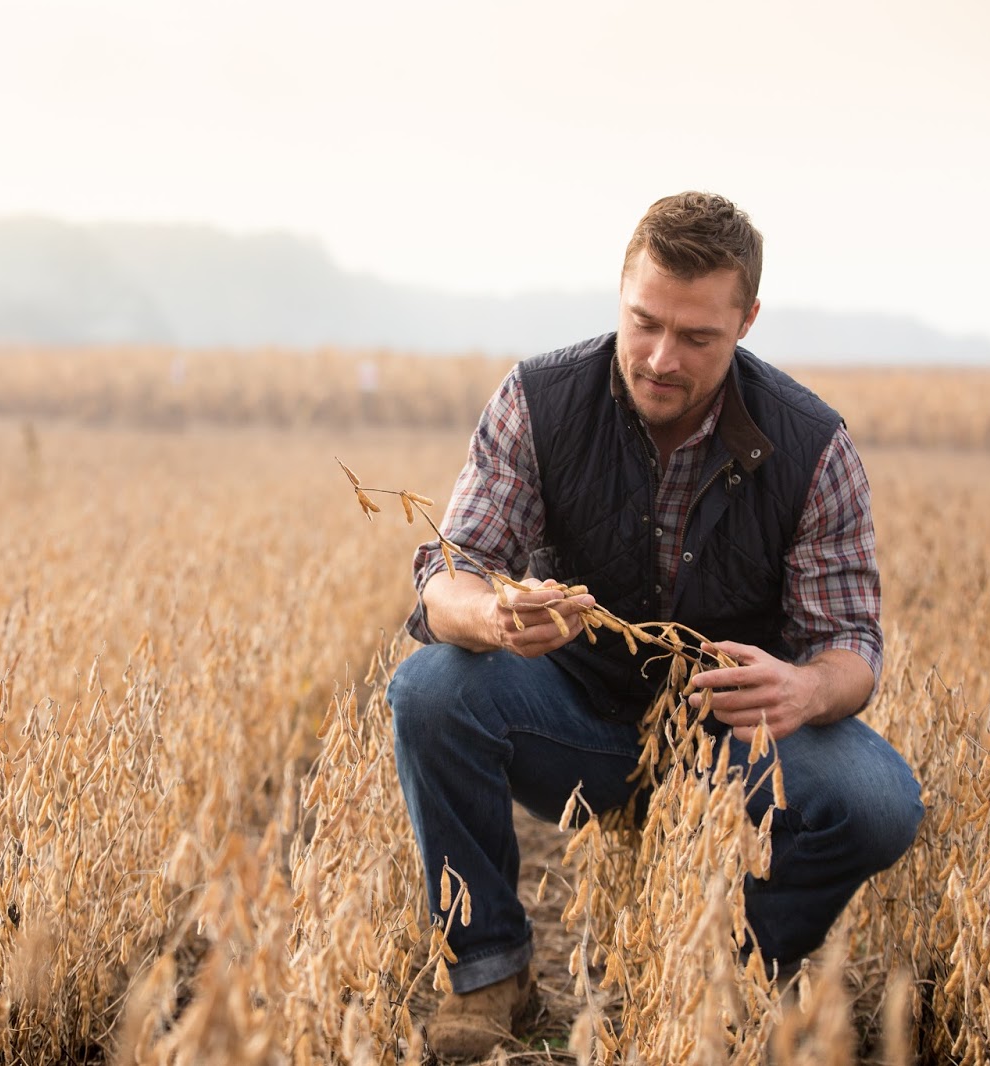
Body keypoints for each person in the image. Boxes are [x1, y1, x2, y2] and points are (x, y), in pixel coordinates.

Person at [386, 192, 924, 1061]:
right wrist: (493, 614)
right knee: (431, 687)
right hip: (575, 722)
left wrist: (805, 686)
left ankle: (717, 972)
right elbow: (447, 574)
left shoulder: (814, 445)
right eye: (645, 322)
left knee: (878, 802)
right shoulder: (540, 399)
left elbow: (852, 647)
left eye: (698, 338)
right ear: (622, 294)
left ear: (747, 320)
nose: (661, 357)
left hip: (735, 741)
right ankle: (490, 970)